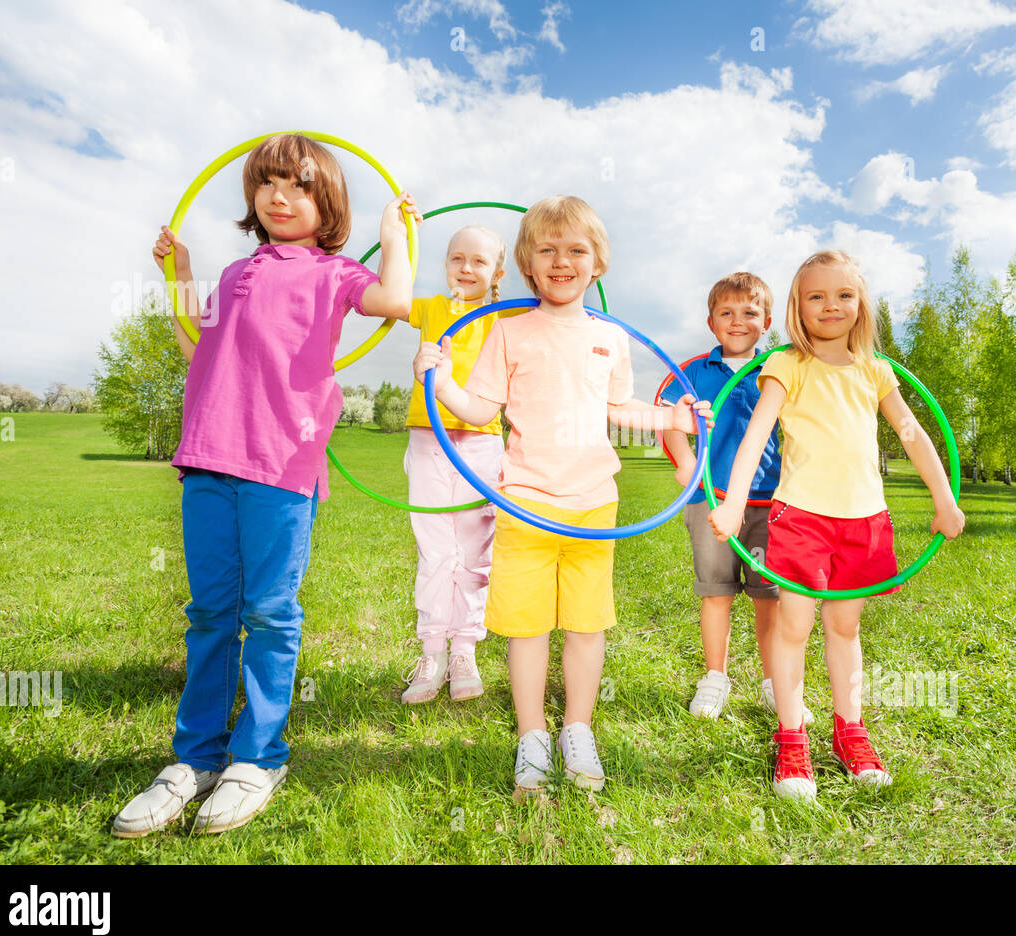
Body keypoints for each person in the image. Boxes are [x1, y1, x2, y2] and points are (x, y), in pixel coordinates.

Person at [113, 133, 419, 836]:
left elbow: (398, 300)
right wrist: (182, 269)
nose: (281, 196)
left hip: (281, 466)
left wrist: (394, 235)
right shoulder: (235, 273)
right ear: (253, 194)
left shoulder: (335, 273)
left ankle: (259, 756)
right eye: (269, 182)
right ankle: (195, 758)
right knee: (210, 613)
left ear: (328, 203)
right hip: (209, 460)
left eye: (301, 185)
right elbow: (201, 345)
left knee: (270, 612)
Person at [413, 195, 706, 796]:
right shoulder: (509, 332)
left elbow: (618, 408)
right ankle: (531, 737)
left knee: (585, 625)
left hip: (594, 502)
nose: (561, 260)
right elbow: (479, 409)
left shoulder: (610, 338)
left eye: (575, 250)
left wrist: (671, 422)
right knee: (526, 628)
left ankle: (577, 728)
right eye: (546, 250)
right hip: (525, 500)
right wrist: (438, 377)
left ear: (597, 263)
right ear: (527, 264)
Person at [710, 250, 965, 802]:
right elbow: (756, 436)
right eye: (816, 296)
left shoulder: (876, 370)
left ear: (861, 303)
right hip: (801, 517)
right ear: (798, 307)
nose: (831, 306)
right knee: (793, 627)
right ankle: (792, 735)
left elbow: (914, 435)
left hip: (865, 521)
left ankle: (850, 730)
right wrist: (731, 504)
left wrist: (943, 500)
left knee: (845, 629)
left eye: (844, 295)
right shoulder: (786, 366)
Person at [661, 272, 810, 723]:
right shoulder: (695, 371)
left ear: (766, 322)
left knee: (769, 596)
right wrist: (686, 463)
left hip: (769, 500)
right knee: (716, 592)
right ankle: (715, 677)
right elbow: (671, 418)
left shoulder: (780, 368)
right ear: (711, 322)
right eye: (726, 313)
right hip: (710, 497)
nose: (738, 321)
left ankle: (773, 681)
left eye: (749, 313)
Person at [398, 225, 525, 705]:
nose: (466, 268)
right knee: (434, 545)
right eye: (456, 259)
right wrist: (399, 228)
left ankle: (464, 650)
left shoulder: (507, 317)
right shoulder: (431, 308)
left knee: (475, 547)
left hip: (480, 439)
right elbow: (388, 293)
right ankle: (432, 650)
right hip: (428, 436)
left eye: (478, 261)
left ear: (497, 272)